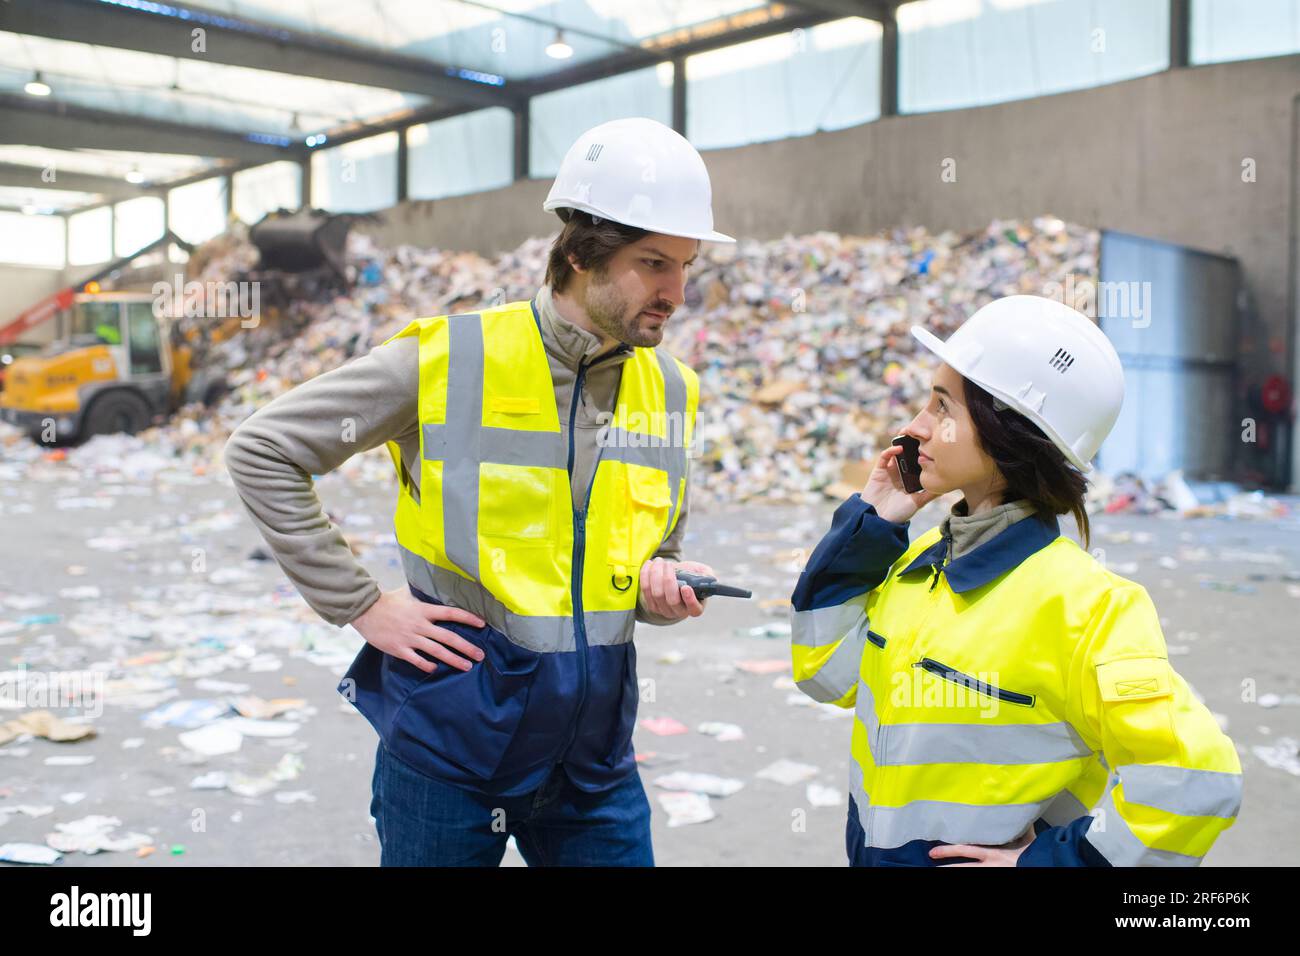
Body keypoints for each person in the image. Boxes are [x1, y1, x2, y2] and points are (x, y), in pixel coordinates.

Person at [225, 117, 735, 866]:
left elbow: (654, 551)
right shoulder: (449, 359)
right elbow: (264, 448)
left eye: (686, 265)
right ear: (580, 254)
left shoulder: (670, 388)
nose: (676, 292)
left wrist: (663, 589)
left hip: (591, 766)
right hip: (451, 755)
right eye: (653, 262)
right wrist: (361, 604)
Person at [789, 294, 1242, 866]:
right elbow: (825, 674)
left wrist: (1049, 864)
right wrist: (868, 529)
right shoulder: (921, 562)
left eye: (942, 407)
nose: (914, 427)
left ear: (1011, 432)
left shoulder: (1089, 608)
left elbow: (1195, 782)